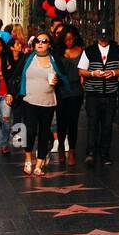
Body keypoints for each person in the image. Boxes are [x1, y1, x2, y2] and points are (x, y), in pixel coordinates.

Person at [13, 30, 69, 176]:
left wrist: (57, 81)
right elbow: (16, 75)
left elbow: (64, 79)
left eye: (44, 41)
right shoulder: (27, 58)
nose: (40, 43)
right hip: (29, 100)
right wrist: (10, 93)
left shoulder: (54, 60)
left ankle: (39, 163)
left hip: (49, 102)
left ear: (49, 45)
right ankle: (27, 159)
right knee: (30, 131)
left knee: (44, 133)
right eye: (38, 41)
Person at [78, 21, 119, 169]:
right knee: (93, 123)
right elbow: (81, 70)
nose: (103, 40)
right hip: (93, 93)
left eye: (105, 37)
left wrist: (113, 72)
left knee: (107, 125)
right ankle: (91, 153)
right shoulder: (89, 50)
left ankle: (105, 153)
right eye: (101, 37)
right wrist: (93, 73)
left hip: (111, 93)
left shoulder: (118, 50)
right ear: (97, 36)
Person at [51, 26, 84, 165]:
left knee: (73, 121)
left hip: (76, 88)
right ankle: (60, 148)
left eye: (71, 39)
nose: (69, 41)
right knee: (61, 120)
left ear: (76, 37)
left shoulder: (82, 51)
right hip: (61, 88)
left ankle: (72, 150)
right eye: (66, 39)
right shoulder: (58, 52)